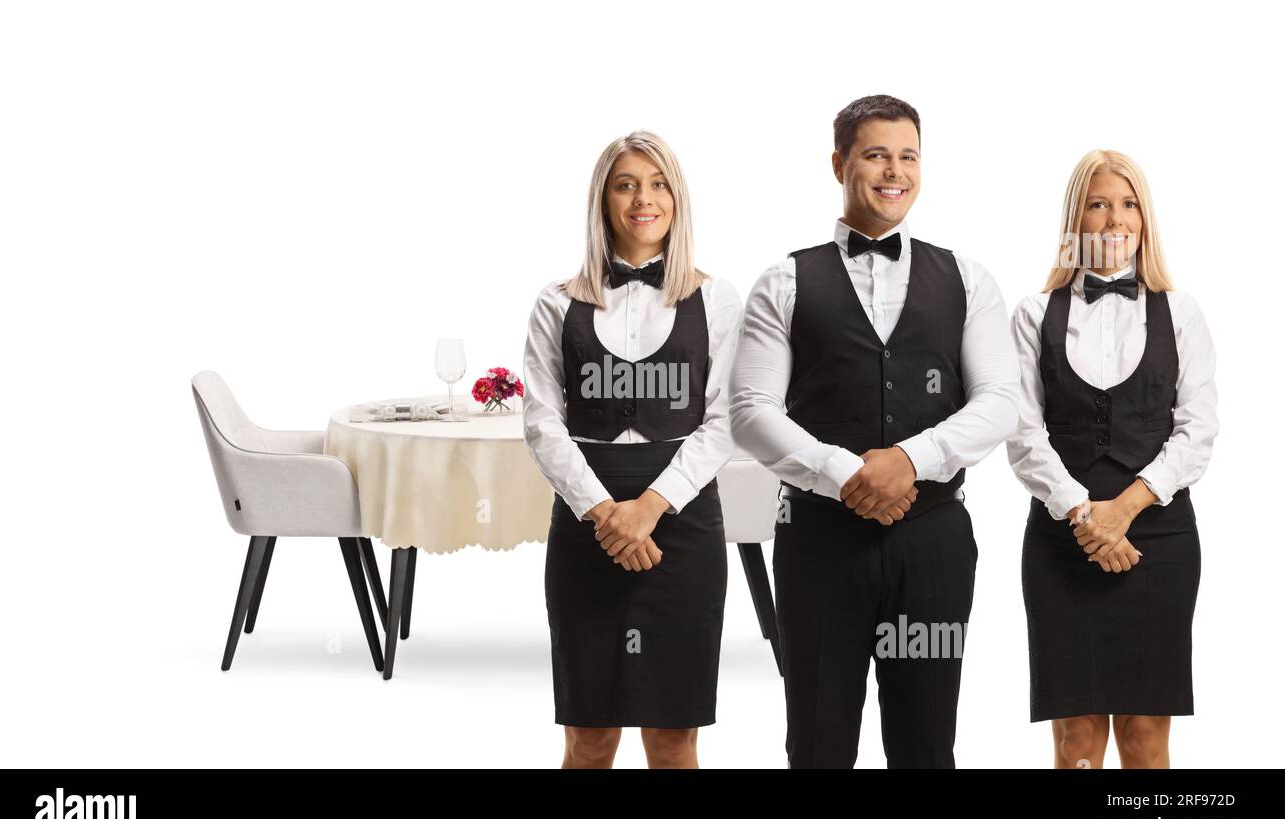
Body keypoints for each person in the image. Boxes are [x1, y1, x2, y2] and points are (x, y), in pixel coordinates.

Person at [729, 94, 1020, 768]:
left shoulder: (969, 280)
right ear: (839, 164)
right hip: (818, 546)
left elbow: (1000, 400)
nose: (894, 171)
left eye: (908, 156)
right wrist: (844, 472)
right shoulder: (783, 282)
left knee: (926, 746)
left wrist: (911, 461)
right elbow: (750, 410)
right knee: (819, 743)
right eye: (876, 155)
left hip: (934, 543)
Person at [522, 130, 742, 769]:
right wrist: (604, 512)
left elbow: (724, 421)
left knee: (674, 741)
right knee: (589, 740)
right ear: (603, 201)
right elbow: (542, 424)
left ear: (677, 199)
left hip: (683, 521)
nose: (643, 199)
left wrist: (650, 506)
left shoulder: (718, 298)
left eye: (657, 183)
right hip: (587, 522)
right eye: (625, 185)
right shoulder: (555, 303)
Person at [1006, 150, 1218, 768]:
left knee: (1147, 736)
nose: (1114, 219)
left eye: (1128, 205)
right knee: (1076, 742)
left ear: (1145, 220)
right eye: (1098, 204)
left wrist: (1123, 510)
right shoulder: (1032, 314)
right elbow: (1022, 434)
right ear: (1076, 220)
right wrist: (1085, 516)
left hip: (1160, 538)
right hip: (1061, 540)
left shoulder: (1181, 313)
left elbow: (1197, 431)